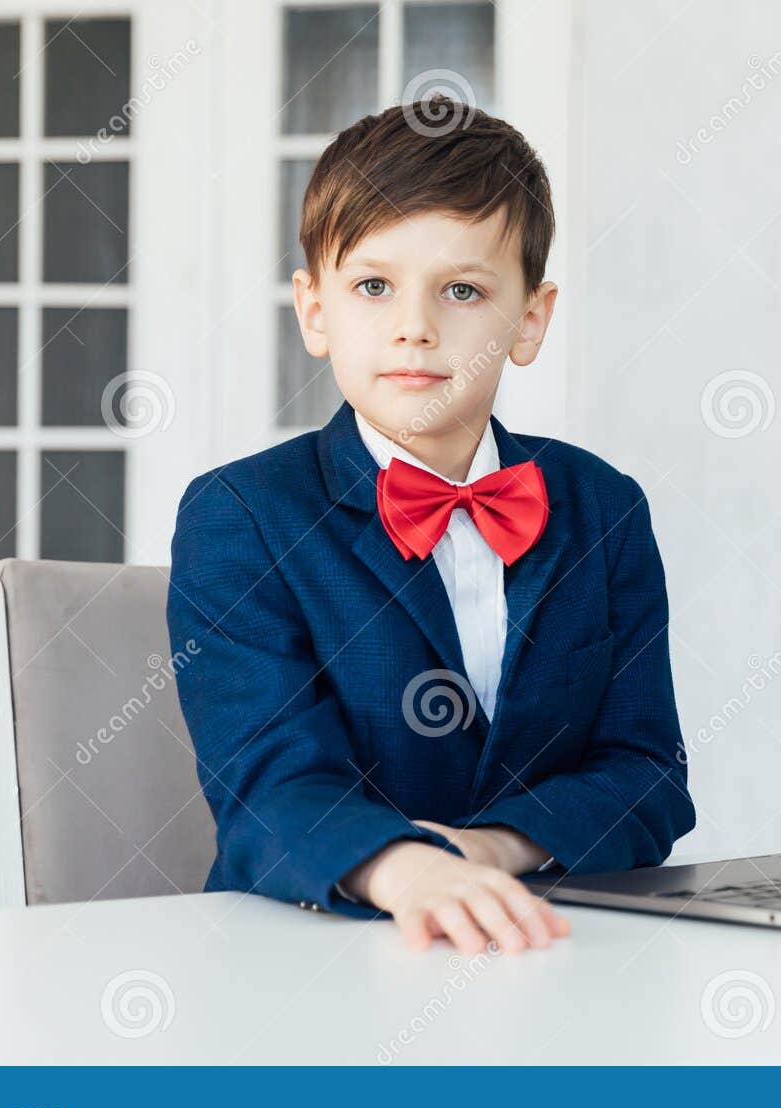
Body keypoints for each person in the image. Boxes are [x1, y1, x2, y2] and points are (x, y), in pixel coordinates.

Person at [166, 95, 695, 956]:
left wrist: (486, 850)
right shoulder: (242, 515)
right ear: (314, 310)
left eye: (462, 290)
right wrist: (408, 868)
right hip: (311, 950)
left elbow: (647, 777)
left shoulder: (604, 507)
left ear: (530, 319)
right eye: (373, 286)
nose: (414, 326)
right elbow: (267, 781)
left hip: (545, 941)